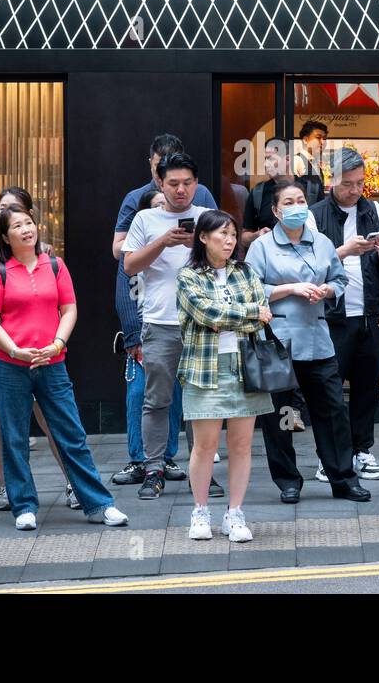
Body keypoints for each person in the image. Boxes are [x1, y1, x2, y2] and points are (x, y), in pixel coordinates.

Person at [0, 205, 127, 530]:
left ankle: (98, 503)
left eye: (29, 222)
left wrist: (58, 344)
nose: (26, 229)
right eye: (17, 226)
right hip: (11, 366)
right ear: (5, 236)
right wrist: (15, 350)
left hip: (53, 363)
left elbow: (69, 310)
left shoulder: (56, 265)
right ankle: (24, 505)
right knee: (15, 438)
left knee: (71, 435)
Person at [0, 186, 80, 511]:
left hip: (38, 348)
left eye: (16, 210)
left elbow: (65, 306)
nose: (9, 215)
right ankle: (7, 486)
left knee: (51, 417)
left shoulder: (47, 256)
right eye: (2, 208)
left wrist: (55, 342)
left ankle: (72, 482)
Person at [246, 182, 370, 504]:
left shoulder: (323, 243)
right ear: (276, 210)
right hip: (279, 342)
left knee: (332, 410)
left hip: (318, 339)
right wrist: (291, 289)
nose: (297, 206)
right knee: (283, 415)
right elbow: (250, 289)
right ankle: (288, 480)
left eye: (301, 200)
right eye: (289, 202)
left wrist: (327, 290)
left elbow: (340, 278)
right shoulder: (262, 247)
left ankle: (342, 478)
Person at [176, 210, 274, 542]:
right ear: (203, 237)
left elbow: (264, 315)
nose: (230, 240)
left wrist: (244, 317)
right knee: (205, 445)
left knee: (242, 444)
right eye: (223, 234)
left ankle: (235, 513)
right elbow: (207, 313)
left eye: (233, 234)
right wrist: (247, 313)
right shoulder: (188, 276)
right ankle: (200, 511)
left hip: (244, 364)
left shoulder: (246, 272)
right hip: (205, 367)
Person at [122, 152, 214, 500]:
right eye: (173, 183)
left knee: (201, 402)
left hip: (203, 324)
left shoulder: (207, 217)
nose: (181, 190)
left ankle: (201, 471)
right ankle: (153, 469)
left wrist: (201, 246)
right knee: (156, 400)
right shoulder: (146, 218)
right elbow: (129, 266)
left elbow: (226, 264)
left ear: (196, 184)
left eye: (188, 183)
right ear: (160, 182)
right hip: (160, 322)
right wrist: (162, 241)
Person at [309, 147, 379, 482]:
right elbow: (310, 266)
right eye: (347, 184)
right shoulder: (315, 215)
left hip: (369, 312)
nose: (355, 190)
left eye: (360, 182)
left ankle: (362, 450)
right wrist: (345, 251)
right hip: (332, 316)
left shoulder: (374, 210)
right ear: (331, 181)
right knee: (328, 389)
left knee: (367, 387)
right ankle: (328, 456)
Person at [111, 189, 186, 487]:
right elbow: (124, 297)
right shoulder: (134, 254)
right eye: (155, 208)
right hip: (143, 334)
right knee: (141, 395)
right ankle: (139, 459)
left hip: (176, 331)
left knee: (175, 397)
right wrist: (133, 338)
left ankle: (167, 457)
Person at [112, 133, 219, 262]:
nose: (180, 190)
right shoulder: (138, 205)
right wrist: (154, 239)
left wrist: (199, 240)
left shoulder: (202, 195)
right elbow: (118, 252)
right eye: (159, 166)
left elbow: (221, 238)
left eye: (187, 183)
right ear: (151, 163)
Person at [242, 137, 320, 249]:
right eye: (265, 159)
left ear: (288, 160)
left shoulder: (312, 191)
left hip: (307, 256)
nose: (265, 164)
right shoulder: (258, 193)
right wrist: (257, 235)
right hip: (269, 259)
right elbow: (244, 237)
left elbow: (325, 230)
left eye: (270, 159)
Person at [294, 120, 329, 191]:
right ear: (305, 140)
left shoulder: (315, 162)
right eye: (318, 137)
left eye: (324, 138)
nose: (322, 142)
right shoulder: (297, 161)